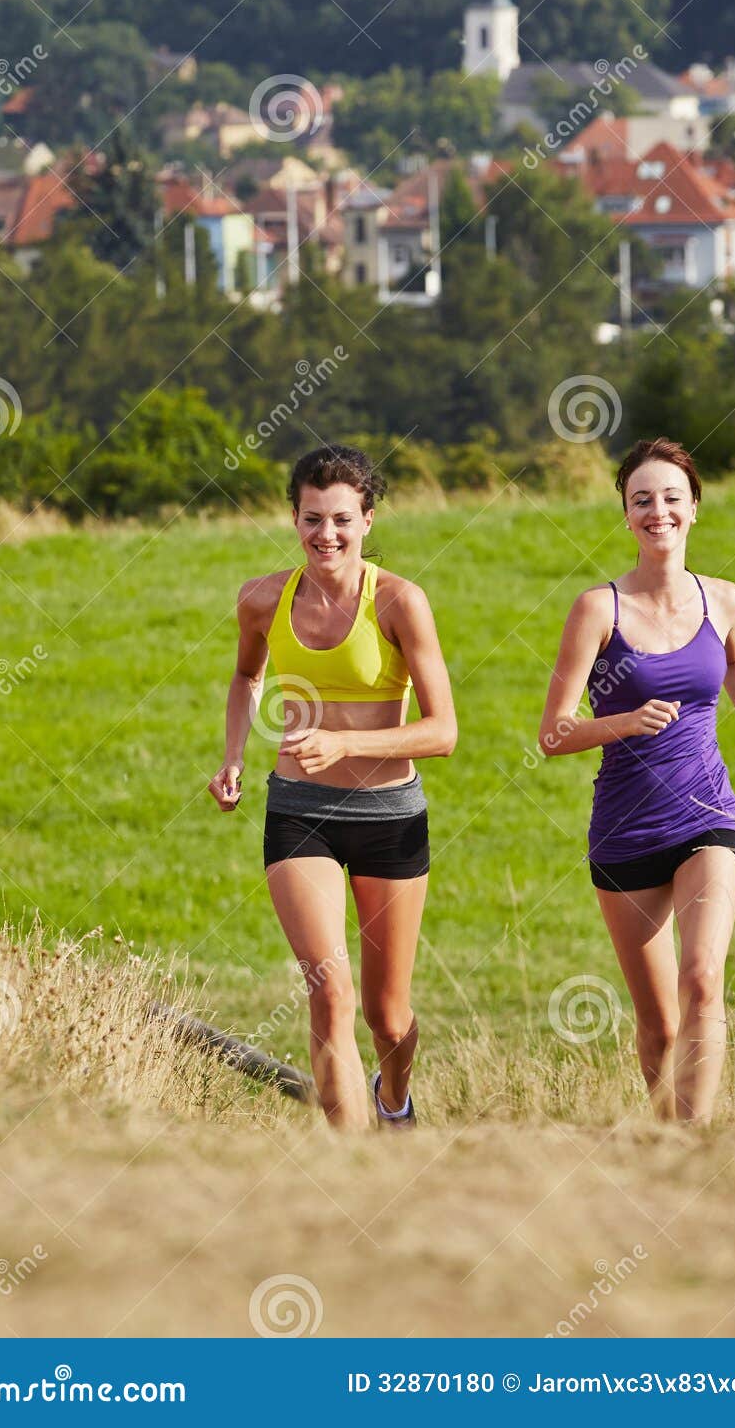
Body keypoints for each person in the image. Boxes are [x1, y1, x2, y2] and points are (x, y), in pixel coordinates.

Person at [208, 444, 456, 1132]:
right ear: (293, 518)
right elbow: (244, 678)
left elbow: (442, 732)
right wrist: (232, 756)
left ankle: (394, 1098)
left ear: (368, 520)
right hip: (298, 811)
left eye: (342, 519)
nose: (327, 535)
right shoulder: (261, 599)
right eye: (312, 519)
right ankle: (352, 1168)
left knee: (387, 1015)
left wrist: (347, 742)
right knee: (329, 991)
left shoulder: (401, 602)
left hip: (389, 815)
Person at [538, 436, 735, 1124]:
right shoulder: (598, 610)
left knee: (701, 980)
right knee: (657, 1027)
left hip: (707, 813)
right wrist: (624, 721)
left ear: (694, 508)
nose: (657, 511)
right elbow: (552, 733)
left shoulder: (723, 598)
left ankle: (693, 1145)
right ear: (625, 515)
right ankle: (665, 1144)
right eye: (641, 500)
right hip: (623, 829)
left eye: (671, 498)